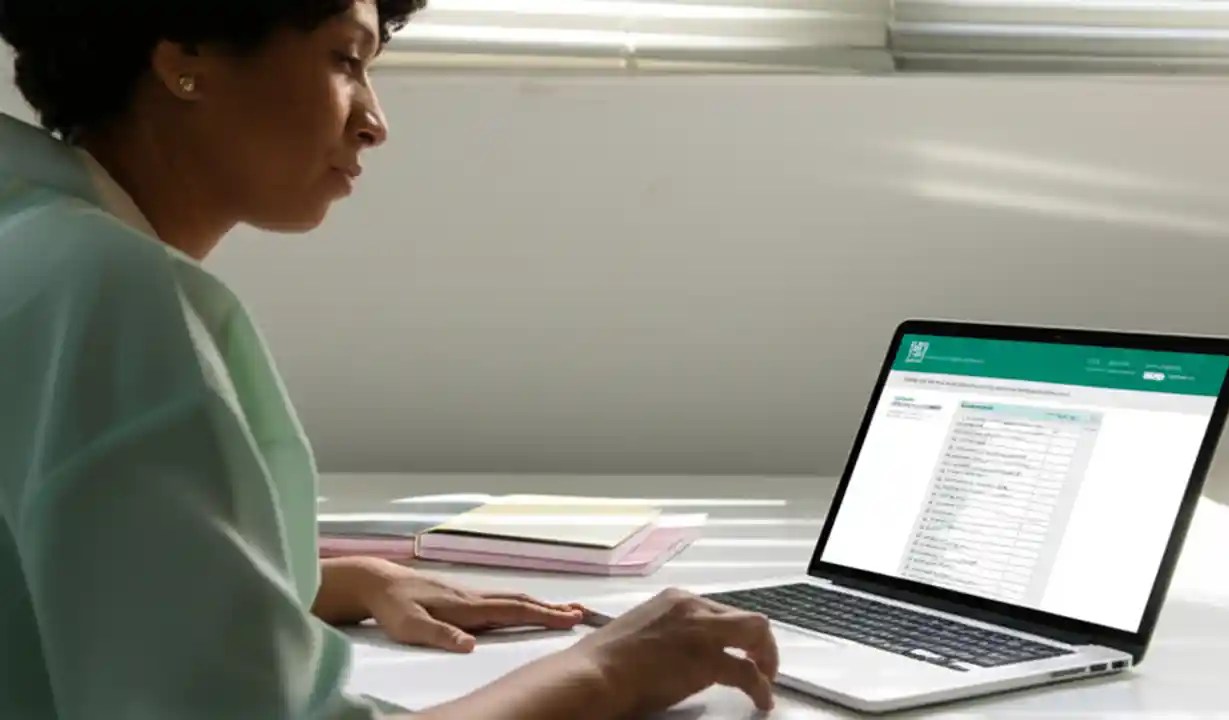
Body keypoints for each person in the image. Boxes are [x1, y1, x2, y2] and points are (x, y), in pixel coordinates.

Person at [0, 1, 780, 718]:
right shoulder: (109, 294)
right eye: (345, 58)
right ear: (184, 57)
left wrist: (332, 584)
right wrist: (607, 668)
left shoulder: (33, 240)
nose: (375, 122)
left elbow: (70, 579)